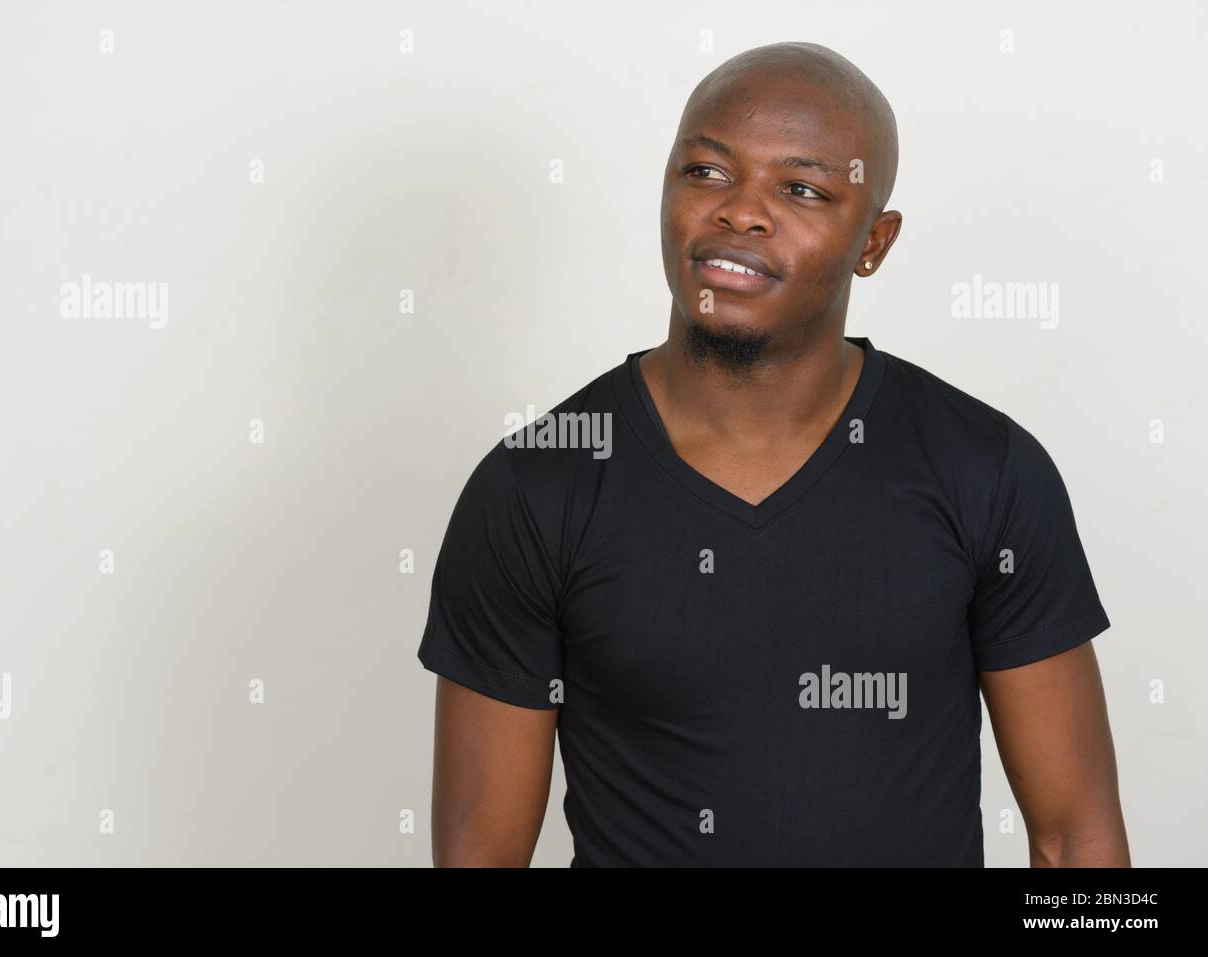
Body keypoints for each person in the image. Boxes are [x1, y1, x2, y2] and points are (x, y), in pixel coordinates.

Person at [415, 41, 1128, 867]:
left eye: (802, 189)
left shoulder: (986, 470)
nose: (741, 213)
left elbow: (1076, 838)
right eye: (707, 173)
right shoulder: (536, 486)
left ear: (875, 241)